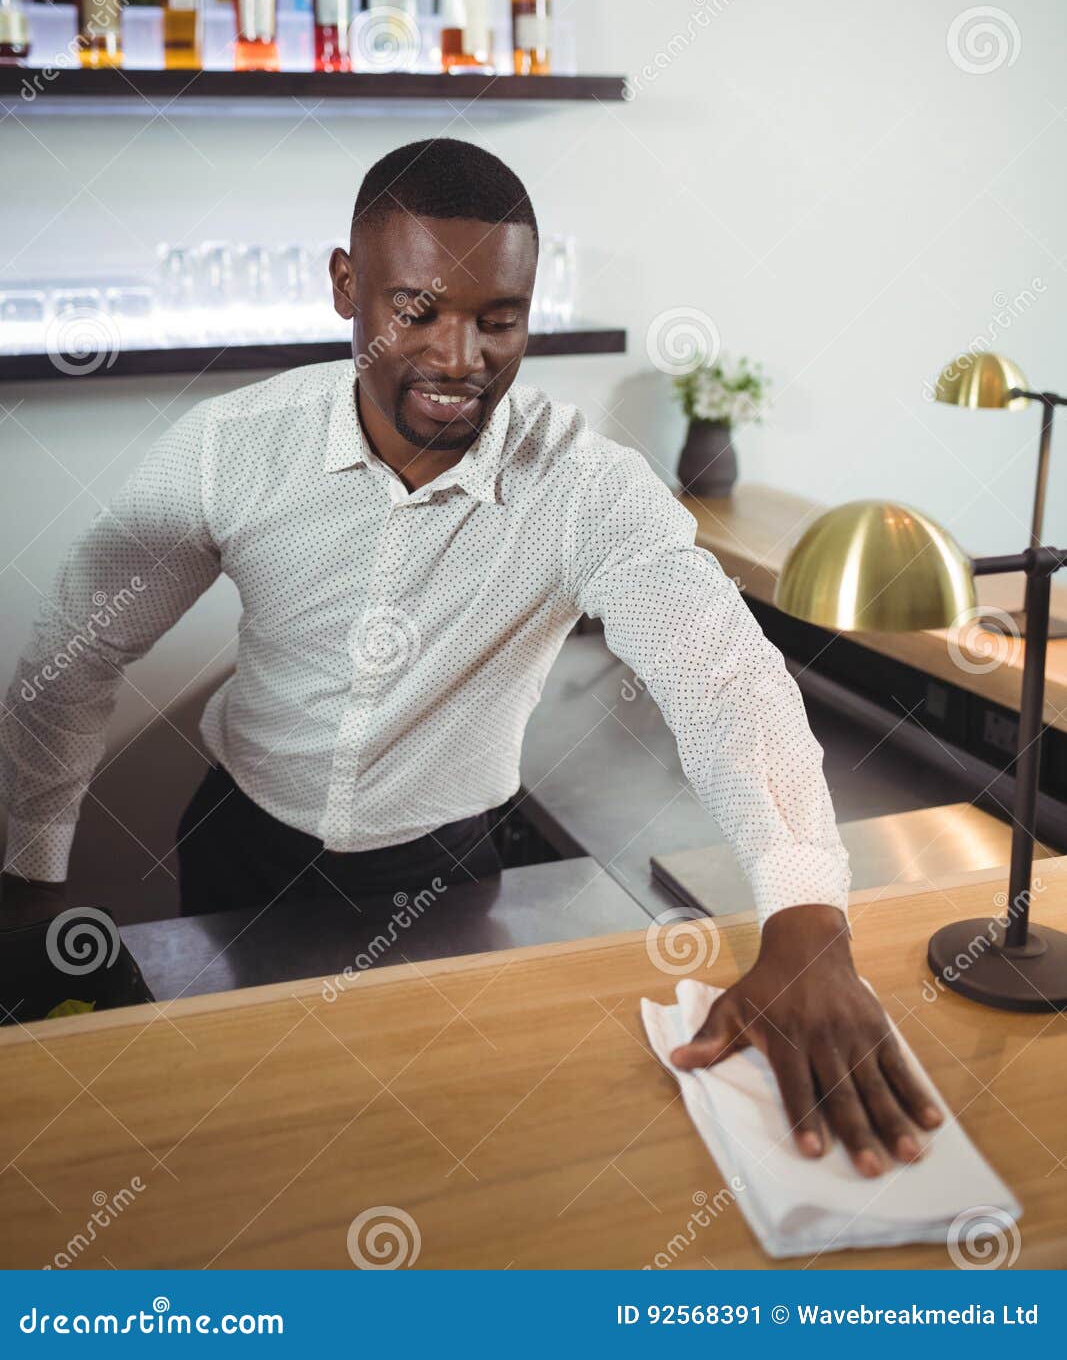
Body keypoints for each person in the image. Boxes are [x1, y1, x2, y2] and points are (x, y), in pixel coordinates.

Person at [0, 136, 940, 1174]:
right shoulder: (232, 449)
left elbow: (724, 678)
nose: (460, 358)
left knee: (430, 1145)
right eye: (416, 312)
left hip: (442, 874)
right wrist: (27, 869)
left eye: (499, 321)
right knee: (241, 1144)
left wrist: (805, 917)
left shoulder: (586, 487)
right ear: (346, 287)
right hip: (239, 850)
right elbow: (77, 651)